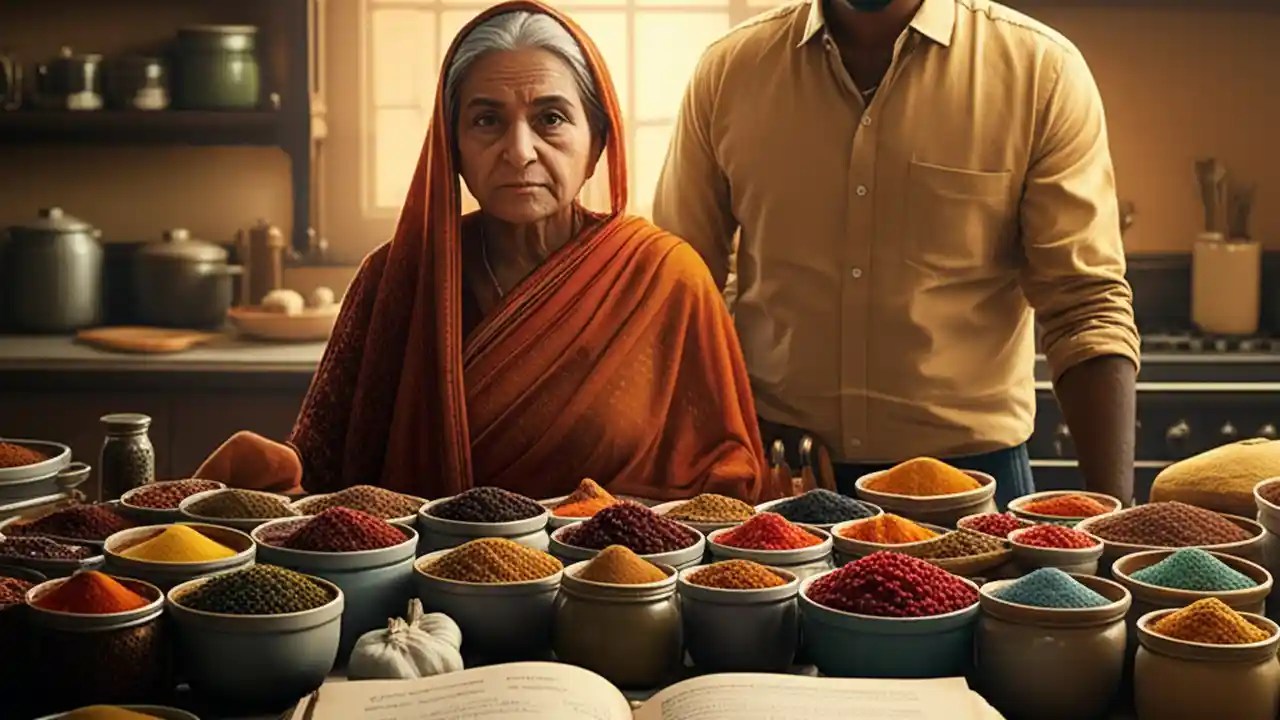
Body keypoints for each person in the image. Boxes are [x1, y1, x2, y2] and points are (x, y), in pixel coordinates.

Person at [195, 1, 779, 504]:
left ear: (598, 142)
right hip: (420, 585)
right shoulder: (396, 278)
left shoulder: (665, 279)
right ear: (451, 145)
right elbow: (324, 474)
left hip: (612, 584)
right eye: (486, 121)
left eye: (551, 118)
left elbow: (724, 478)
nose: (518, 150)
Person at [652, 0, 1140, 508]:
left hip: (970, 490)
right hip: (782, 478)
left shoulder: (1040, 72)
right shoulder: (730, 72)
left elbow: (1085, 307)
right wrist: (728, 426)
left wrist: (1113, 522)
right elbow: (677, 295)